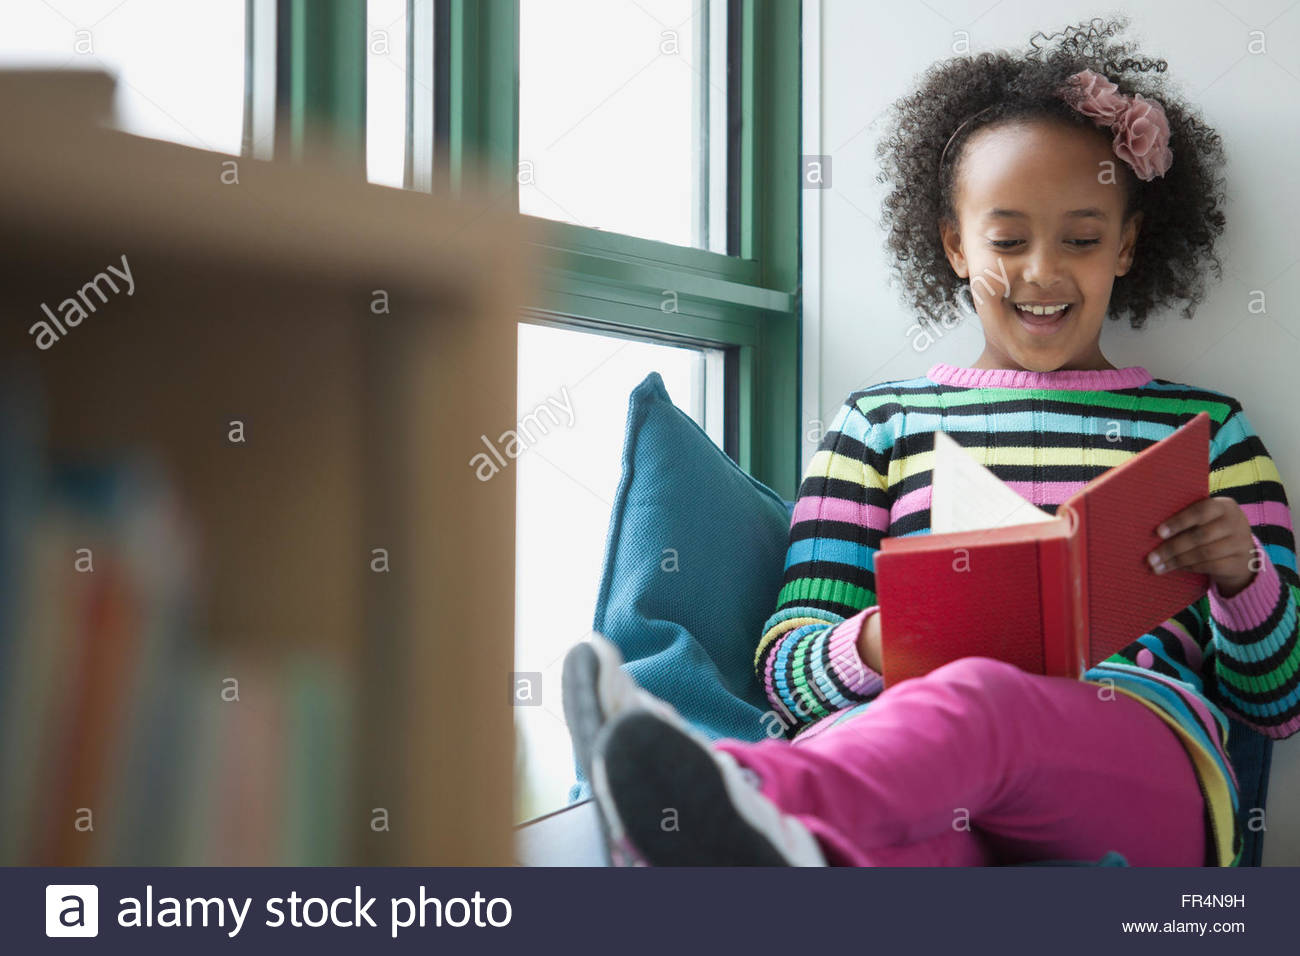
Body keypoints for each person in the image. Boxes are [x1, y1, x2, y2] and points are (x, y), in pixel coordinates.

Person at [562, 15, 1300, 868]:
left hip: (1138, 760)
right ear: (955, 244)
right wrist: (897, 637)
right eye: (1007, 239)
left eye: (1084, 239)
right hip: (913, 764)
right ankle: (757, 844)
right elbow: (788, 675)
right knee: (917, 846)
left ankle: (716, 794)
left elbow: (1278, 705)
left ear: (1127, 246)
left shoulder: (1206, 434)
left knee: (985, 698)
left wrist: (1241, 576)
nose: (1042, 272)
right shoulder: (879, 425)